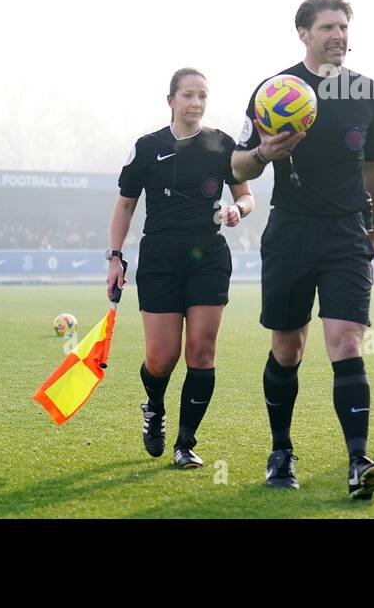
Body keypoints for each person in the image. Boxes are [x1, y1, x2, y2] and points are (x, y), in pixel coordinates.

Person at [230, 0, 374, 499]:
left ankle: (358, 459)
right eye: (327, 27)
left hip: (346, 233)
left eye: (343, 26)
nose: (338, 35)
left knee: (346, 341)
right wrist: (262, 152)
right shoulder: (274, 90)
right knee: (288, 347)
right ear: (303, 33)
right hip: (291, 231)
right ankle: (281, 452)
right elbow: (236, 165)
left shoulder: (368, 92)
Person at [108, 68, 255, 470]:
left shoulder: (222, 144)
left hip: (207, 257)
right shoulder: (147, 146)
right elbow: (125, 205)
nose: (196, 103)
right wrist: (114, 256)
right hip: (158, 260)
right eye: (188, 95)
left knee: (202, 352)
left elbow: (247, 196)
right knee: (161, 358)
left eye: (202, 96)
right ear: (171, 100)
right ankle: (154, 405)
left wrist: (236, 210)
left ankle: (185, 443)